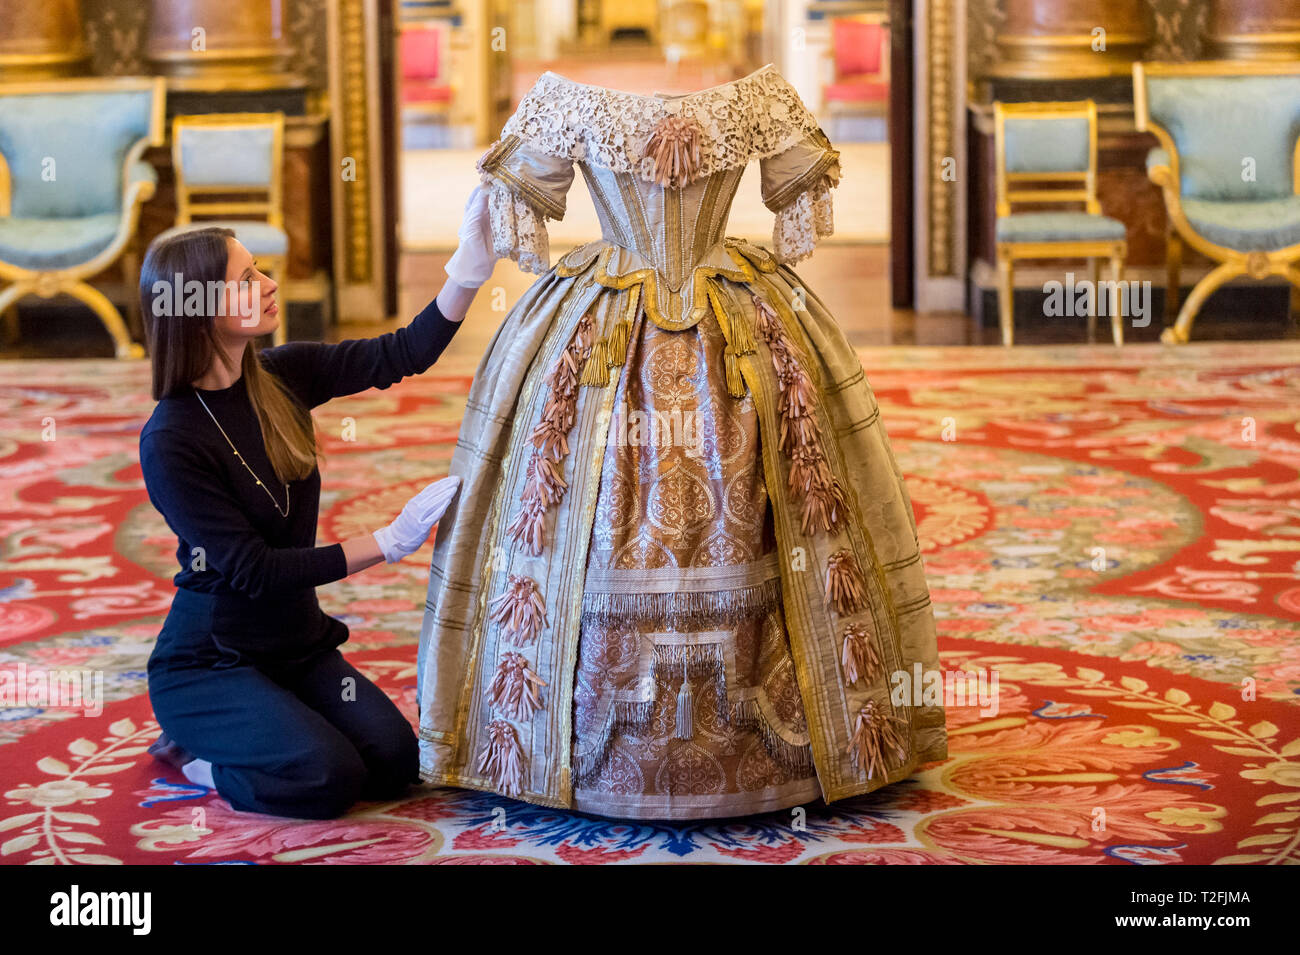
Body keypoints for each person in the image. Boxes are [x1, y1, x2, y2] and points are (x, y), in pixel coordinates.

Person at [416, 66, 948, 819]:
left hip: (640, 317)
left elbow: (514, 211)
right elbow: (800, 206)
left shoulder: (579, 101)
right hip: (710, 315)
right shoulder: (749, 97)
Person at [140, 188, 497, 819]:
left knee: (395, 763)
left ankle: (271, 721)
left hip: (296, 647)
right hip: (213, 660)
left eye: (259, 270)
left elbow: (402, 353)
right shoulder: (170, 439)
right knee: (326, 777)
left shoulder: (281, 375)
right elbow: (254, 570)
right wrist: (387, 542)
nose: (269, 283)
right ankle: (201, 759)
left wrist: (468, 267)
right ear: (198, 309)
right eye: (246, 279)